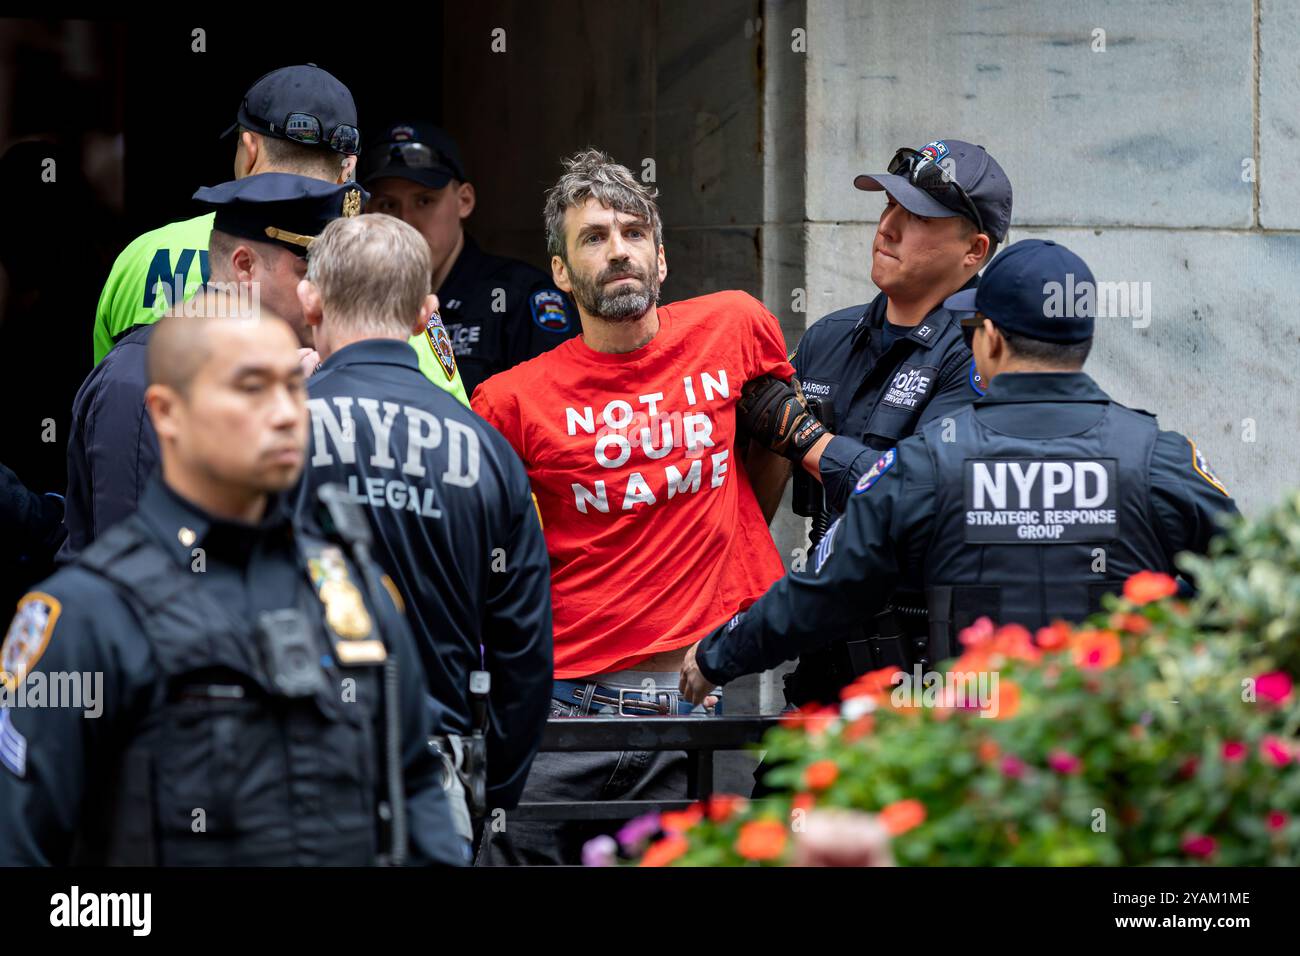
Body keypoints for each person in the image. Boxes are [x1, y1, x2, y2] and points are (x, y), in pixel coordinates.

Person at [680, 239, 1239, 703]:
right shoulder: (1160, 458)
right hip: (1113, 764)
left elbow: (821, 592)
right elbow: (1250, 584)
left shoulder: (927, 464)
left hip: (979, 774)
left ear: (989, 339)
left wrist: (715, 658)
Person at [0, 312, 465, 866]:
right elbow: (24, 849)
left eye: (294, 387)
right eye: (251, 388)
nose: (285, 413)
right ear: (168, 413)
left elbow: (416, 782)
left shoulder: (355, 592)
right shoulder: (86, 616)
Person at [470, 148, 795, 865]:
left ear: (661, 256)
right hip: (558, 714)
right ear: (561, 271)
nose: (618, 251)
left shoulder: (735, 326)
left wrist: (736, 538)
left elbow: (773, 436)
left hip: (703, 704)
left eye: (632, 232)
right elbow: (487, 550)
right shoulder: (508, 400)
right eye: (593, 237)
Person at [295, 213, 553, 849]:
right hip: (432, 783)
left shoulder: (272, 432)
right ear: (424, 314)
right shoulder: (487, 452)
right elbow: (525, 651)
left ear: (310, 301)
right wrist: (494, 791)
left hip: (291, 766)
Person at [740, 138, 1014, 707]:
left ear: (974, 249)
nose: (887, 227)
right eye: (887, 206)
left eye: (916, 217)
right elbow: (756, 493)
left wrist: (808, 441)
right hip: (824, 673)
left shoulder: (986, 349)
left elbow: (921, 498)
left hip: (930, 690)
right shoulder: (828, 337)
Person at [88, 64, 469, 404]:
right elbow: (442, 413)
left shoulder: (142, 255)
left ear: (249, 148)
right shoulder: (384, 264)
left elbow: (104, 399)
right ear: (346, 169)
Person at [60, 174, 365, 562]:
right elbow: (144, 579)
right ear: (244, 267)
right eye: (310, 274)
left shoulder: (313, 370)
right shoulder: (143, 373)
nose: (322, 297)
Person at [360, 121, 580, 395]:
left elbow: (555, 415)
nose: (405, 221)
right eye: (388, 205)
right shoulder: (354, 304)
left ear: (464, 200)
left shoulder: (518, 298)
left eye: (424, 201)